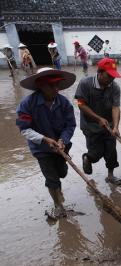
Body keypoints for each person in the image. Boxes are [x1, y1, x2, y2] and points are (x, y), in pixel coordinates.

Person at [15, 67, 77, 219]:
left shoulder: (64, 103)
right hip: (41, 149)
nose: (56, 89)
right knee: (52, 178)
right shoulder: (27, 105)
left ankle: (57, 189)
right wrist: (44, 139)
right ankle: (58, 205)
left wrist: (62, 140)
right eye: (51, 85)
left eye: (57, 85)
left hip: (62, 147)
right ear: (41, 86)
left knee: (61, 173)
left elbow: (70, 125)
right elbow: (24, 130)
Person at [74, 58, 121, 185]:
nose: (112, 79)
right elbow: (80, 104)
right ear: (100, 73)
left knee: (111, 151)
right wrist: (98, 119)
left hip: (109, 125)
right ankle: (87, 158)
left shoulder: (114, 87)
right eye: (109, 76)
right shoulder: (85, 84)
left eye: (113, 76)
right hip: (91, 126)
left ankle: (111, 176)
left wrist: (116, 127)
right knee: (97, 153)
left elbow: (116, 107)